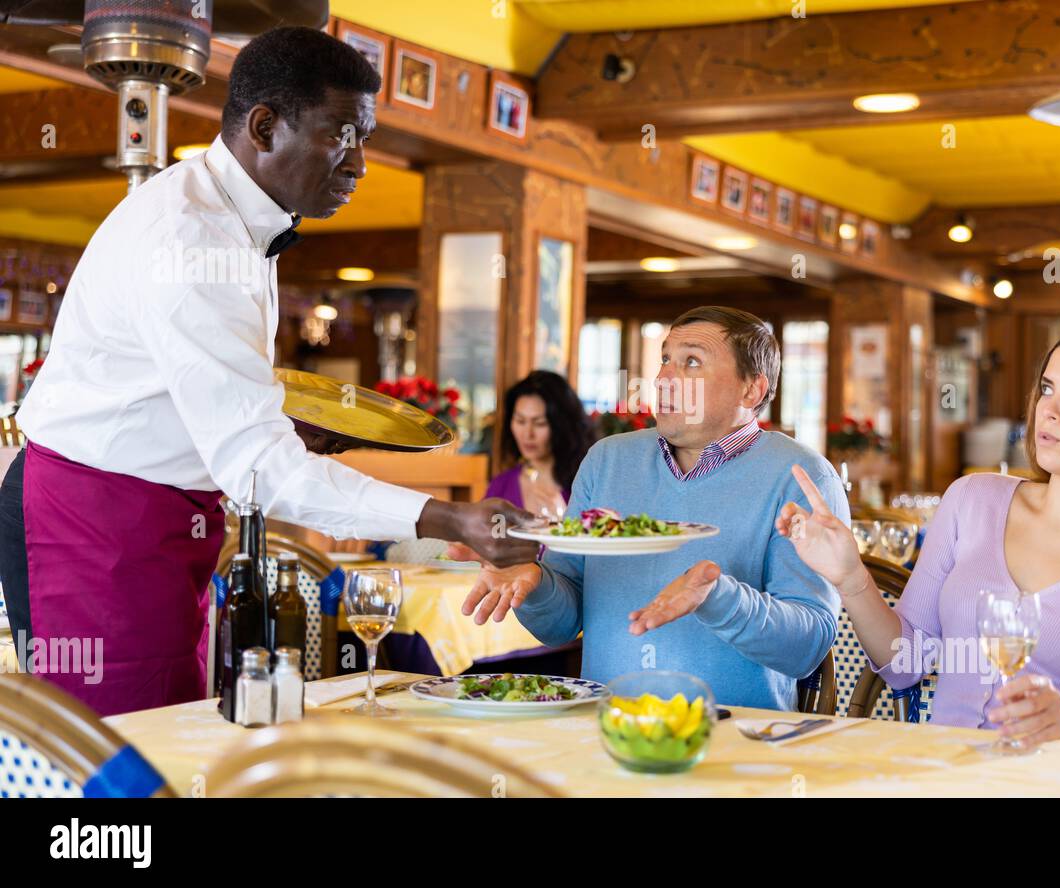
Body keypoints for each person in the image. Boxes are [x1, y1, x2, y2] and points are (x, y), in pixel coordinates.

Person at [0, 27, 534, 717]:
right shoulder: (192, 241)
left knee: (175, 729)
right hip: (86, 523)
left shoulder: (238, 219)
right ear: (264, 126)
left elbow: (200, 396)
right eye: (343, 135)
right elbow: (260, 468)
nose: (360, 164)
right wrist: (449, 516)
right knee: (119, 757)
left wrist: (284, 421)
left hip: (158, 517)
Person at [776, 324, 1060, 744]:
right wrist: (851, 577)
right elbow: (904, 664)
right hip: (948, 775)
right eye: (1047, 388)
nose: (1049, 409)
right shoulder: (971, 499)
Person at [454, 306, 849, 710]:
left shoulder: (802, 476)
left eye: (691, 362)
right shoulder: (606, 460)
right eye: (664, 360)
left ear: (750, 390)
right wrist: (534, 583)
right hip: (603, 731)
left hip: (734, 738)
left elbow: (807, 648)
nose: (662, 378)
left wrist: (720, 599)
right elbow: (561, 624)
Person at [485, 370, 594, 517]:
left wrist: (565, 521)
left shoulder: (587, 484)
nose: (527, 434)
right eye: (520, 421)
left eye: (540, 423)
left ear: (561, 425)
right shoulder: (501, 486)